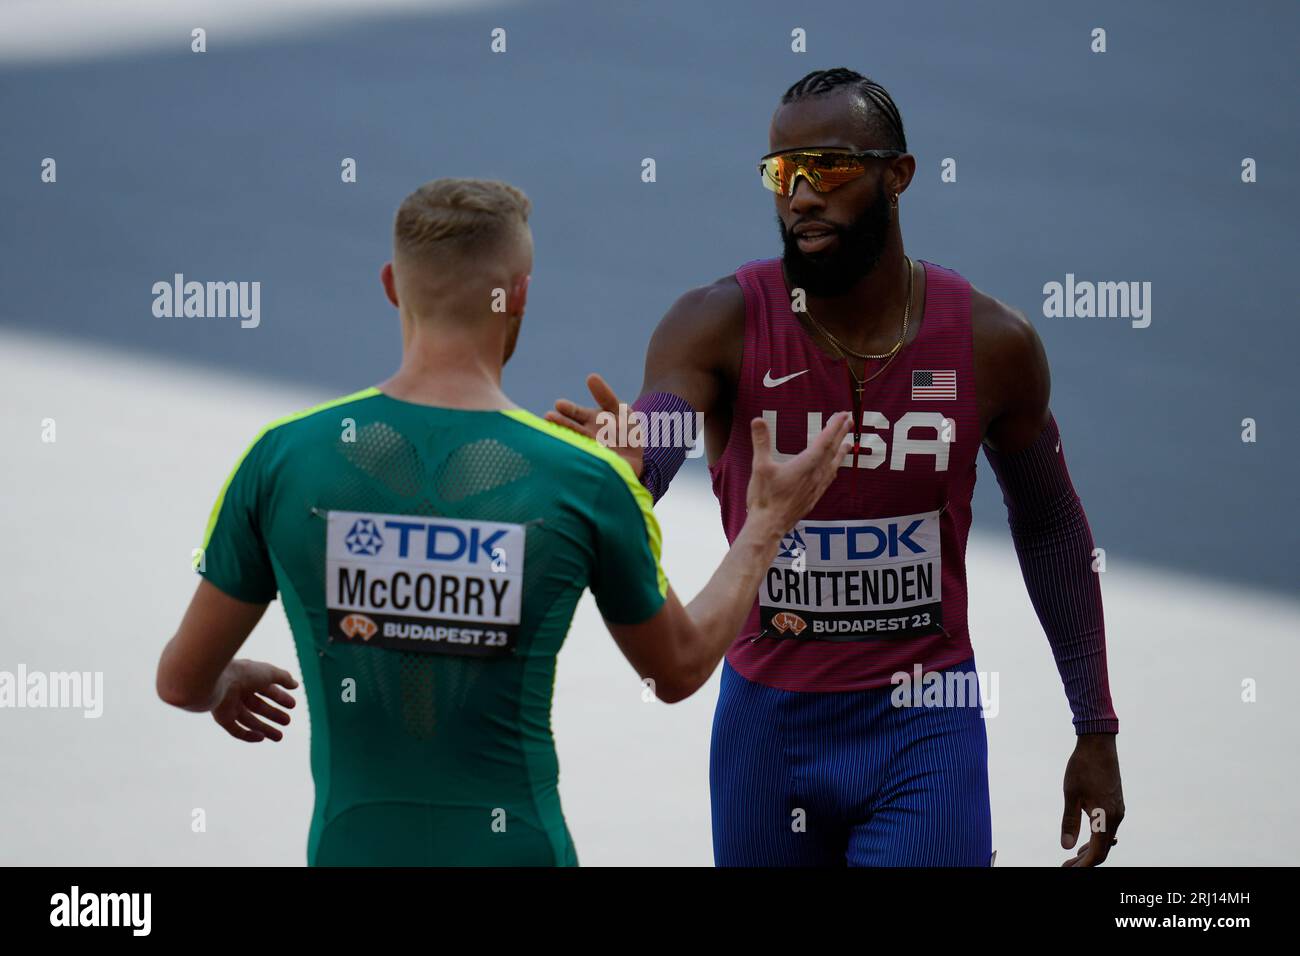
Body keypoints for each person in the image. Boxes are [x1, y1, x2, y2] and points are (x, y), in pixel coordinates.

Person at [155, 177, 852, 866]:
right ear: (518, 294)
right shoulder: (582, 478)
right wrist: (765, 523)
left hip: (351, 847)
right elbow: (678, 668)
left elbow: (182, 682)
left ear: (393, 284)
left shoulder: (283, 459)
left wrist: (224, 681)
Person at [547, 68, 1125, 867]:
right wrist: (625, 462)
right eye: (783, 173)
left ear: (900, 175)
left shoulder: (993, 344)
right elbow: (657, 440)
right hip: (769, 736)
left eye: (831, 168)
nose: (802, 195)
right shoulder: (717, 323)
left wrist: (1094, 725)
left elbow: (1052, 523)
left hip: (927, 729)